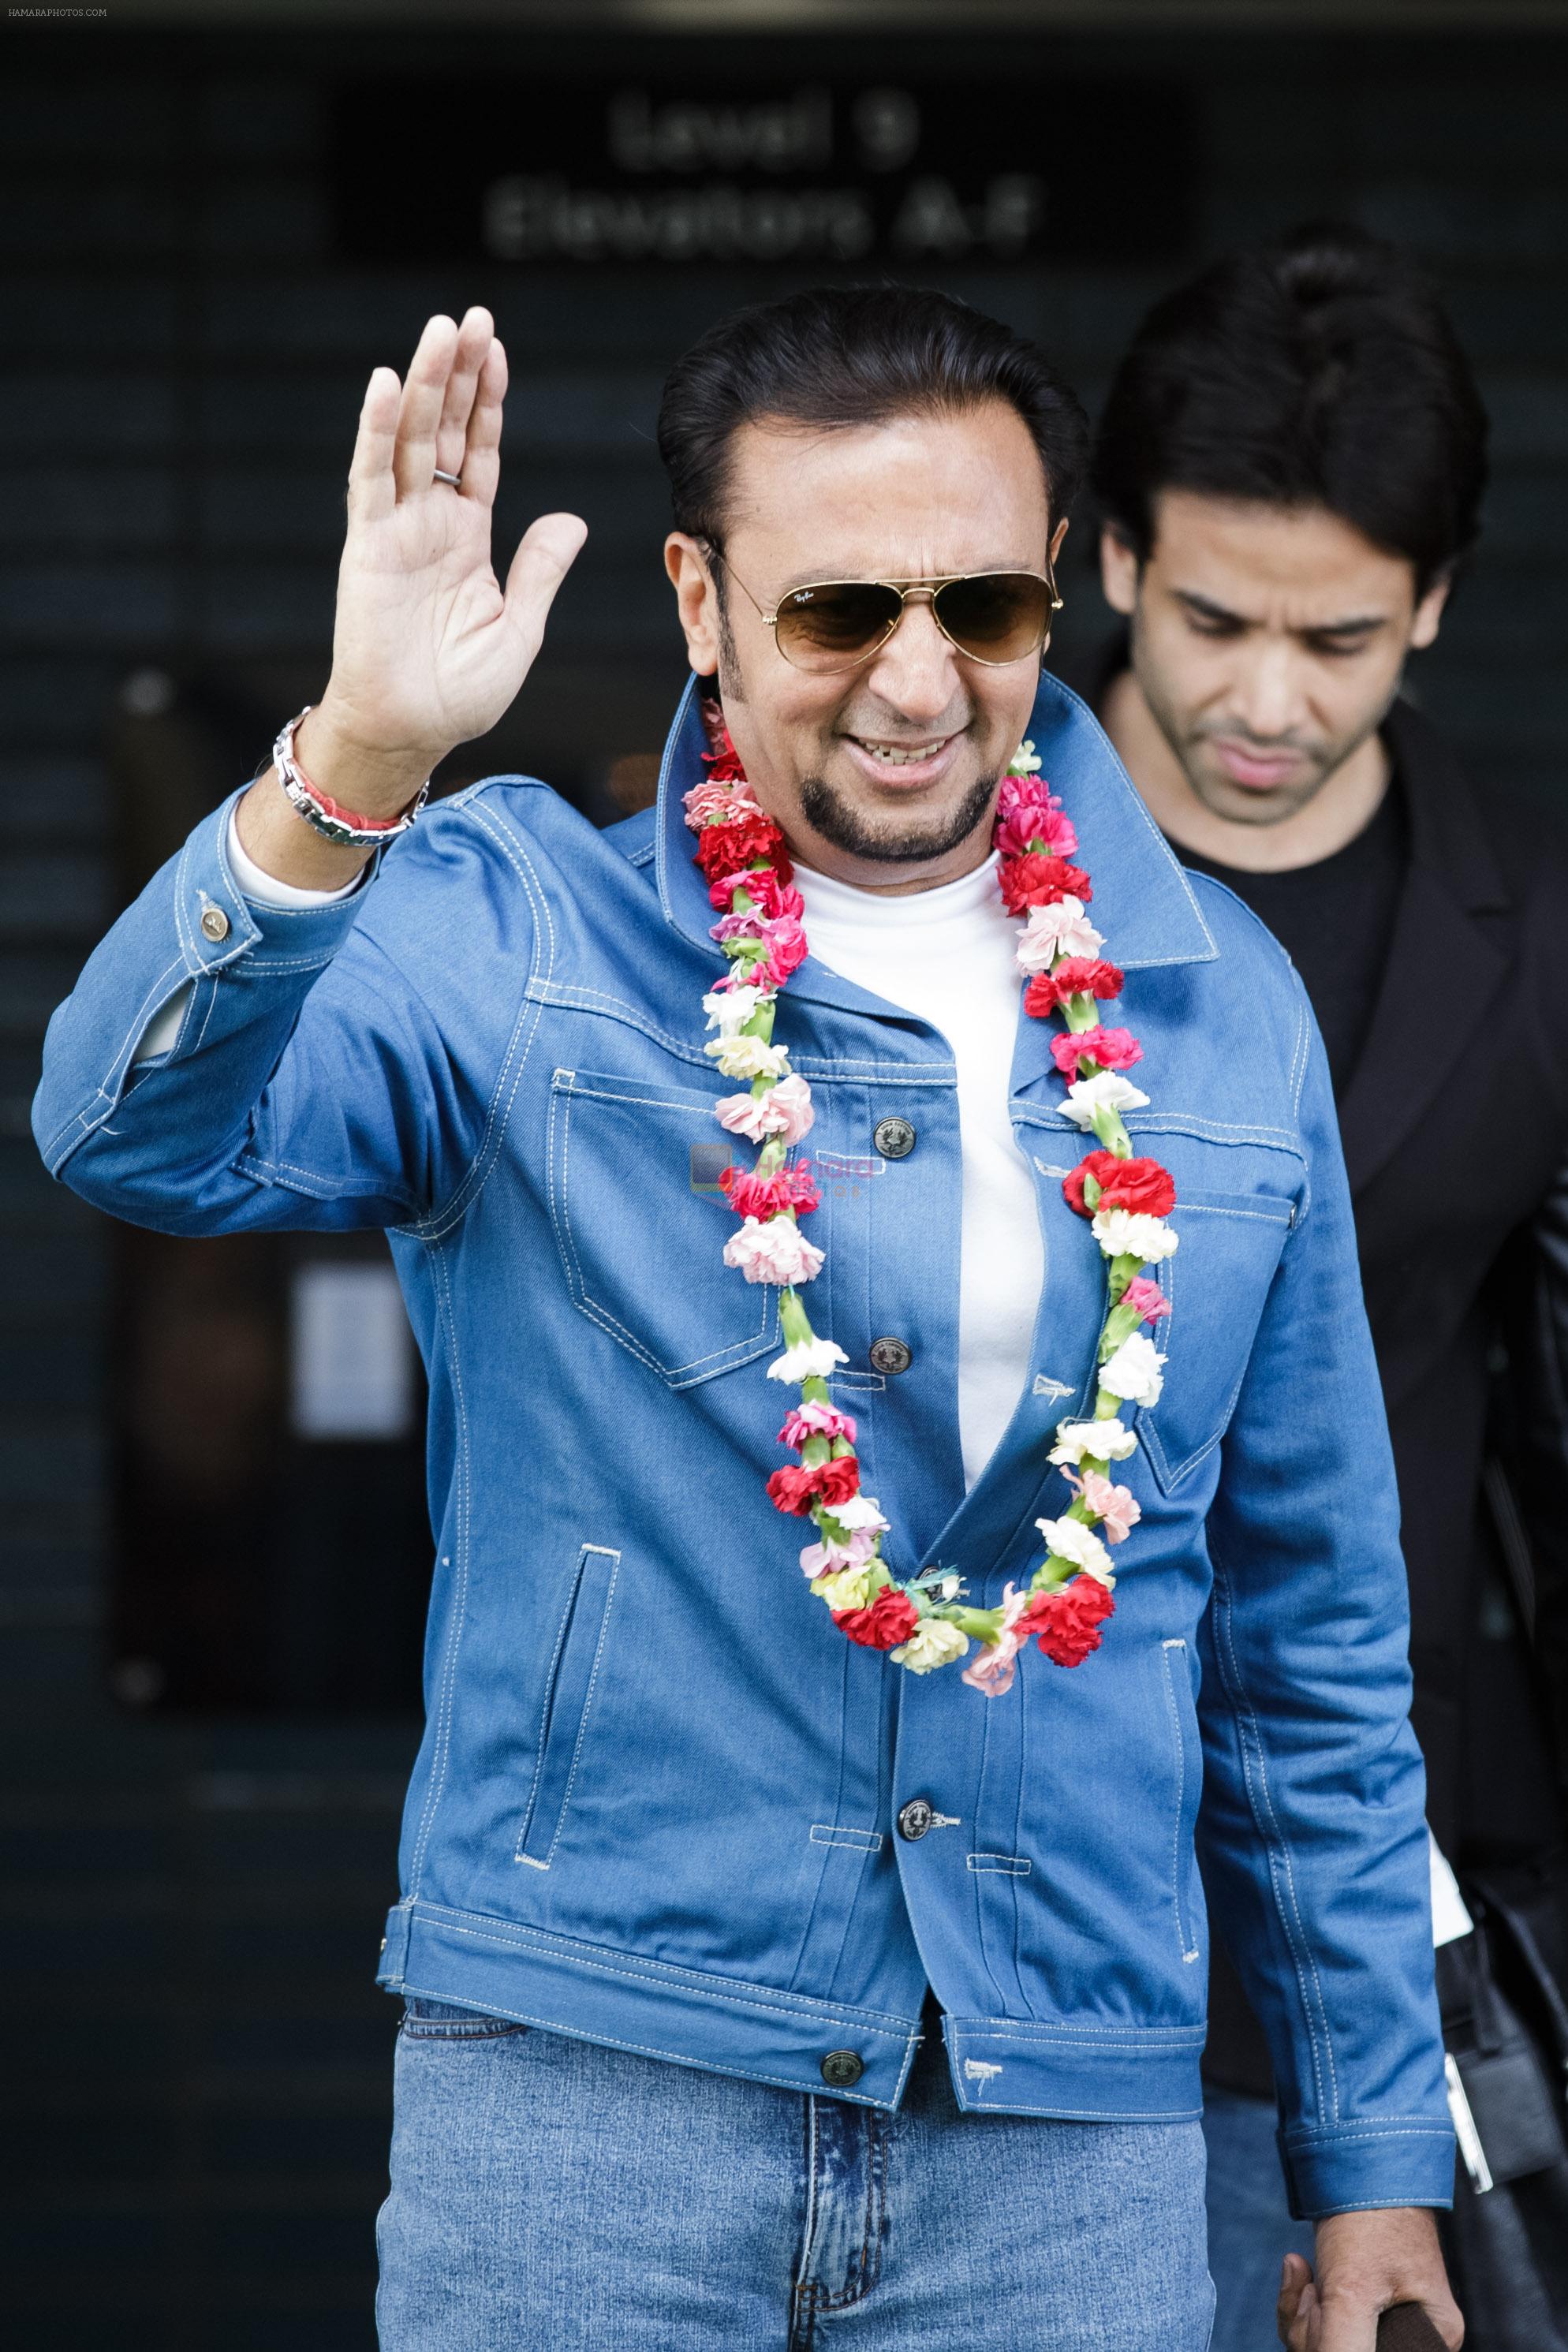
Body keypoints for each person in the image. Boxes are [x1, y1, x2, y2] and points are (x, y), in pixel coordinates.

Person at [34, 286, 1462, 2351]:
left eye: (976, 607)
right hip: (587, 2096)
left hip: (1065, 2135)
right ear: (698, 599)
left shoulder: (1214, 1002)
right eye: (834, 612)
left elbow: (1309, 1650)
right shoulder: (516, 924)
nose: (914, 679)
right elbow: (127, 1134)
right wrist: (358, 756)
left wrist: (1372, 2157)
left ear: (1055, 590)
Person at [1088, 222, 1568, 2350]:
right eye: (1210, 620)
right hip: (982, 1934)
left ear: (1433, 606)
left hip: (1372, 1934)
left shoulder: (1536, 935)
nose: (1263, 702)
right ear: (1107, 561)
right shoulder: (910, 865)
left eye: (1340, 638)